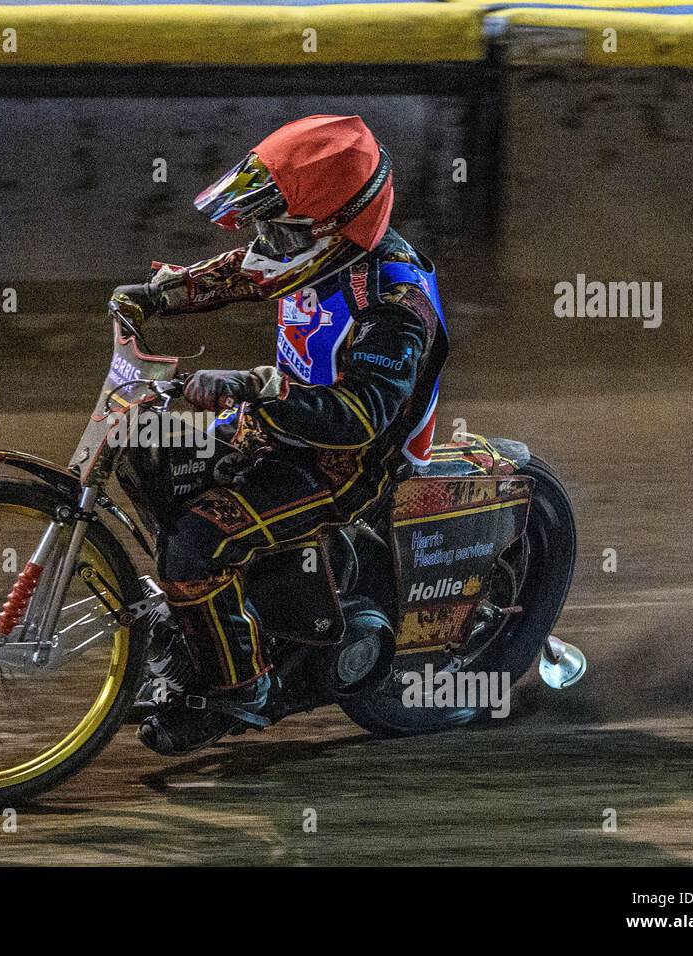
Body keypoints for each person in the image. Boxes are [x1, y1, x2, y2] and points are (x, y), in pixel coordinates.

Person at [110, 114, 448, 756]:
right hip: (275, 428)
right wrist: (158, 295)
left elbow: (359, 418)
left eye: (280, 230)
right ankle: (215, 616)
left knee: (196, 545)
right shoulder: (313, 250)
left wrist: (257, 385)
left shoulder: (397, 305)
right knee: (151, 447)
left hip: (345, 467)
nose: (266, 244)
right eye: (264, 226)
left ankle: (242, 689)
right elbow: (246, 269)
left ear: (335, 227)